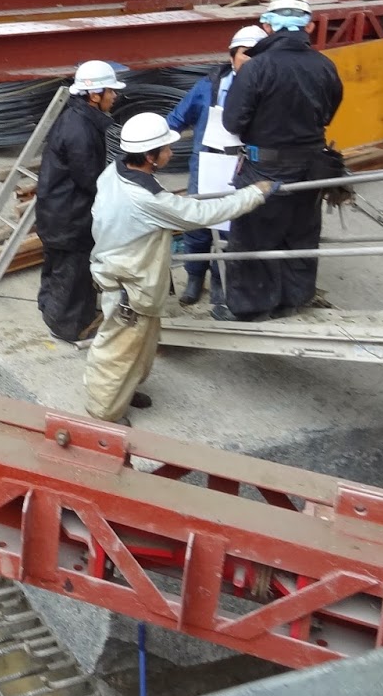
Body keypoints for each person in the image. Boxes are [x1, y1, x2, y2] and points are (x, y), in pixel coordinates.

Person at [85, 113, 273, 424]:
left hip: (127, 278)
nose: (171, 153)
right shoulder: (147, 199)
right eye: (166, 149)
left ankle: (125, 391)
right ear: (149, 156)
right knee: (117, 352)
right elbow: (202, 213)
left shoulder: (114, 171)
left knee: (141, 347)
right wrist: (255, 193)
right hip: (128, 288)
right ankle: (103, 413)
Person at [221, 0, 345, 323]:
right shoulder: (326, 66)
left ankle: (252, 307)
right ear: (309, 27)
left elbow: (232, 121)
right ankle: (295, 299)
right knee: (300, 234)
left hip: (264, 167)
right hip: (311, 166)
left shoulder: (256, 68)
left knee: (253, 239)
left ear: (267, 27)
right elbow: (329, 113)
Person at [164, 24, 267, 318]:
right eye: (247, 55)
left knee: (231, 226)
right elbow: (177, 119)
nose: (252, 61)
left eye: (259, 56)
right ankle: (195, 276)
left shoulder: (266, 90)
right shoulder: (208, 87)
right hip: (206, 161)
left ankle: (221, 279)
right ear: (233, 56)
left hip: (242, 164)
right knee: (198, 223)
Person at [36, 59, 126, 343]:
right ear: (94, 95)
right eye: (110, 91)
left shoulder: (74, 117)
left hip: (55, 211)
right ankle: (70, 327)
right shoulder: (82, 131)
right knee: (73, 274)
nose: (115, 97)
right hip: (71, 217)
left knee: (56, 265)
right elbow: (91, 180)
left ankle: (49, 308)